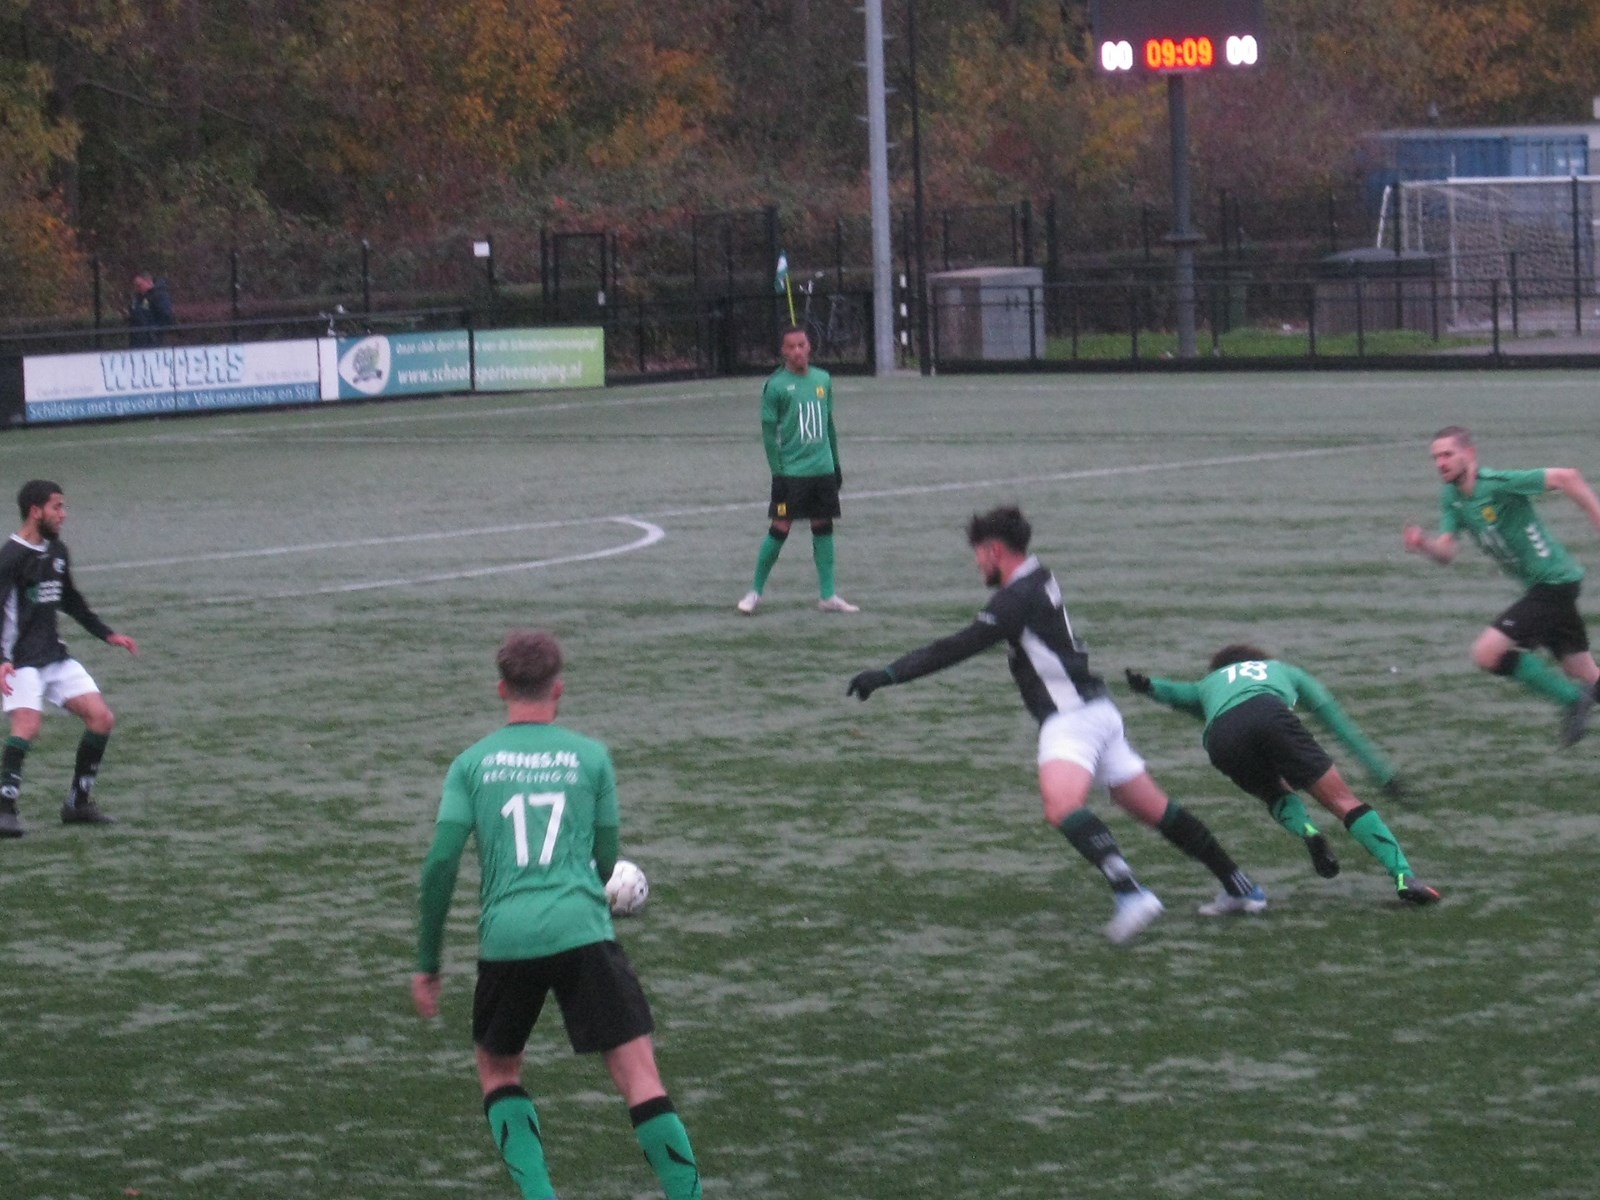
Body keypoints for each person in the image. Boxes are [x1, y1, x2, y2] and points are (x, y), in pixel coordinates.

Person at [845, 505, 1267, 943]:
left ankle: (1131, 892)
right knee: (1154, 809)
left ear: (993, 551)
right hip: (1099, 711)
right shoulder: (1040, 576)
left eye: (977, 554)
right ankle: (1240, 887)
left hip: (1071, 720)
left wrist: (888, 674)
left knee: (1062, 806)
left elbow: (955, 647)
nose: (976, 564)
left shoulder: (1013, 599)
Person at [411, 630, 702, 1200]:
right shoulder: (590, 757)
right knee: (639, 1076)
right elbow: (606, 860)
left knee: (499, 1073)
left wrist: (428, 964)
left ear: (502, 689)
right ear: (559, 689)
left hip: (507, 938)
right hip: (583, 932)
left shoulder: (471, 764)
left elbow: (440, 863)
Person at [1125, 645, 1442, 905]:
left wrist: (1149, 686)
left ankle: (1307, 831)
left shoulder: (1207, 685)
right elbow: (1338, 724)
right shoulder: (1284, 670)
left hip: (1222, 736)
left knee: (1274, 792)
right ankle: (1404, 875)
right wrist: (1382, 772)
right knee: (1344, 800)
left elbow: (1175, 694)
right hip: (1270, 713)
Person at [1402, 424, 1600, 747]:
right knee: (1584, 670)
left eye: (1448, 454)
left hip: (1553, 584)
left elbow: (1569, 477)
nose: (1441, 462)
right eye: (1436, 457)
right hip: (1546, 587)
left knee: (1486, 652)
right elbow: (1448, 552)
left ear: (1470, 454)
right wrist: (1423, 543)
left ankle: (1572, 701)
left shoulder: (1498, 485)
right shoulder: (1453, 497)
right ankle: (1579, 695)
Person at [0, 480, 139, 837]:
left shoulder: (57, 550)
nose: (63, 514)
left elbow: (70, 599)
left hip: (55, 657)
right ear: (36, 511)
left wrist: (107, 633)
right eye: (57, 507)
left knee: (101, 718)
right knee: (28, 726)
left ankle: (78, 802)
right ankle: (5, 809)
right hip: (19, 661)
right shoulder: (10, 559)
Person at [736, 325, 858, 615]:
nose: (797, 351)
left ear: (810, 347)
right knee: (780, 527)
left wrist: (836, 463)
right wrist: (777, 473)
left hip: (822, 469)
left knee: (823, 526)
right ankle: (755, 592)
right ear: (783, 352)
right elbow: (768, 434)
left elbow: (829, 425)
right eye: (791, 347)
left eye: (802, 345)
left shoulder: (823, 379)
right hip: (792, 473)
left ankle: (828, 595)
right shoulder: (776, 386)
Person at [128, 271, 174, 347]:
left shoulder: (160, 295)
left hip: (152, 339)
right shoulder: (137, 297)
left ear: (148, 282)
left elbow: (166, 315)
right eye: (135, 286)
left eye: (139, 285)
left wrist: (155, 330)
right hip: (137, 338)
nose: (137, 288)